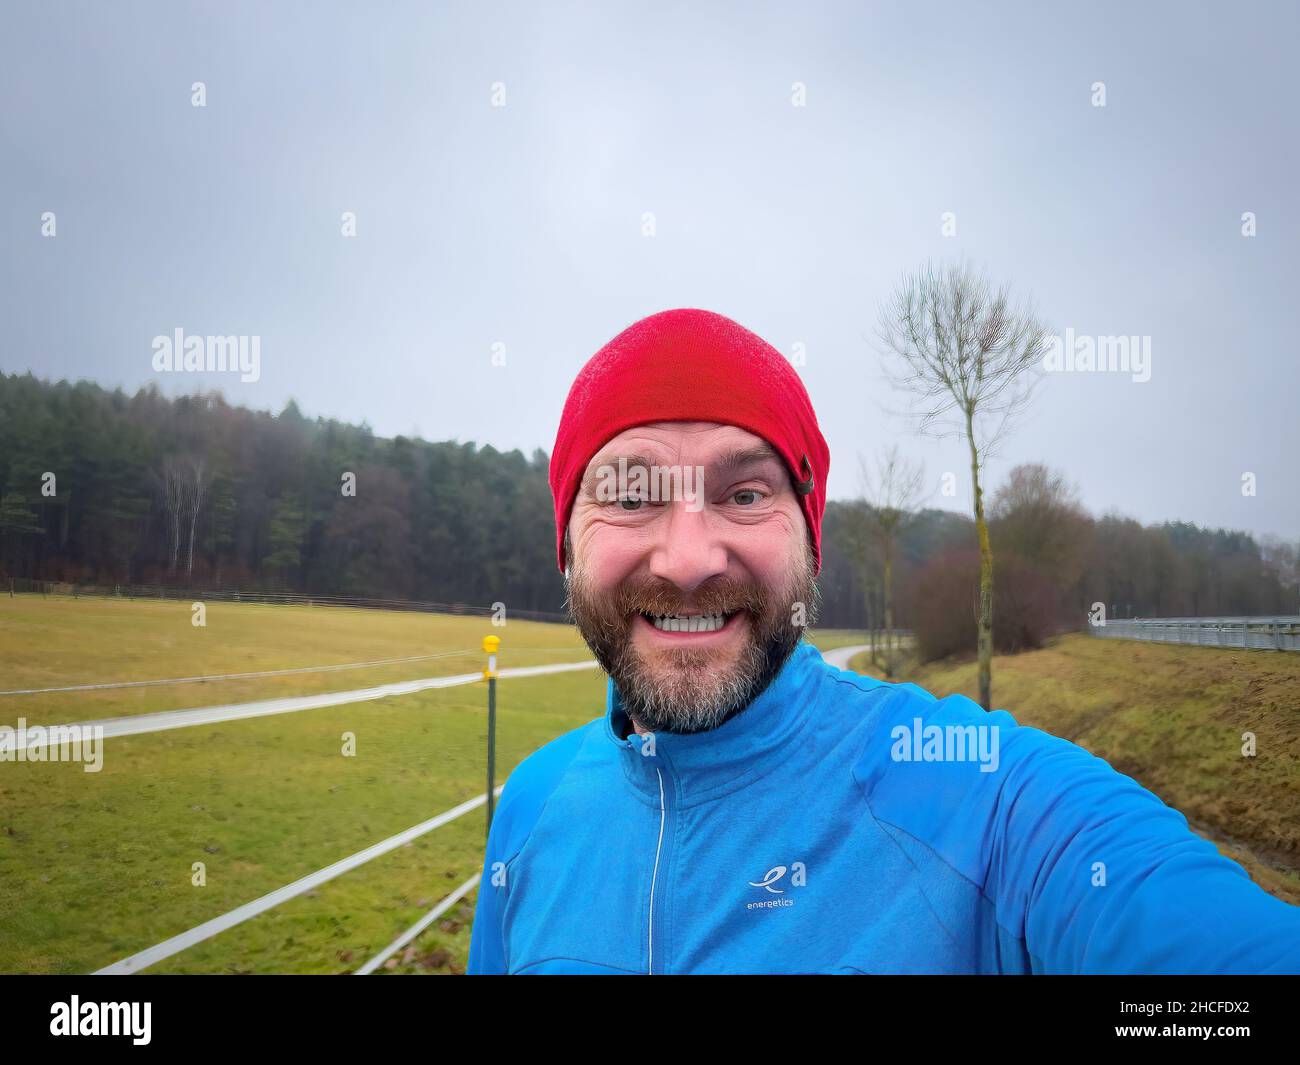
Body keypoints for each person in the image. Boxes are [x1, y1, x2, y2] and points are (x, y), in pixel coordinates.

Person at [467, 307, 1300, 974]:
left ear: (810, 538)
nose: (688, 559)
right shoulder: (532, 805)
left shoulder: (976, 794)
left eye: (747, 492)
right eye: (632, 493)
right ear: (568, 542)